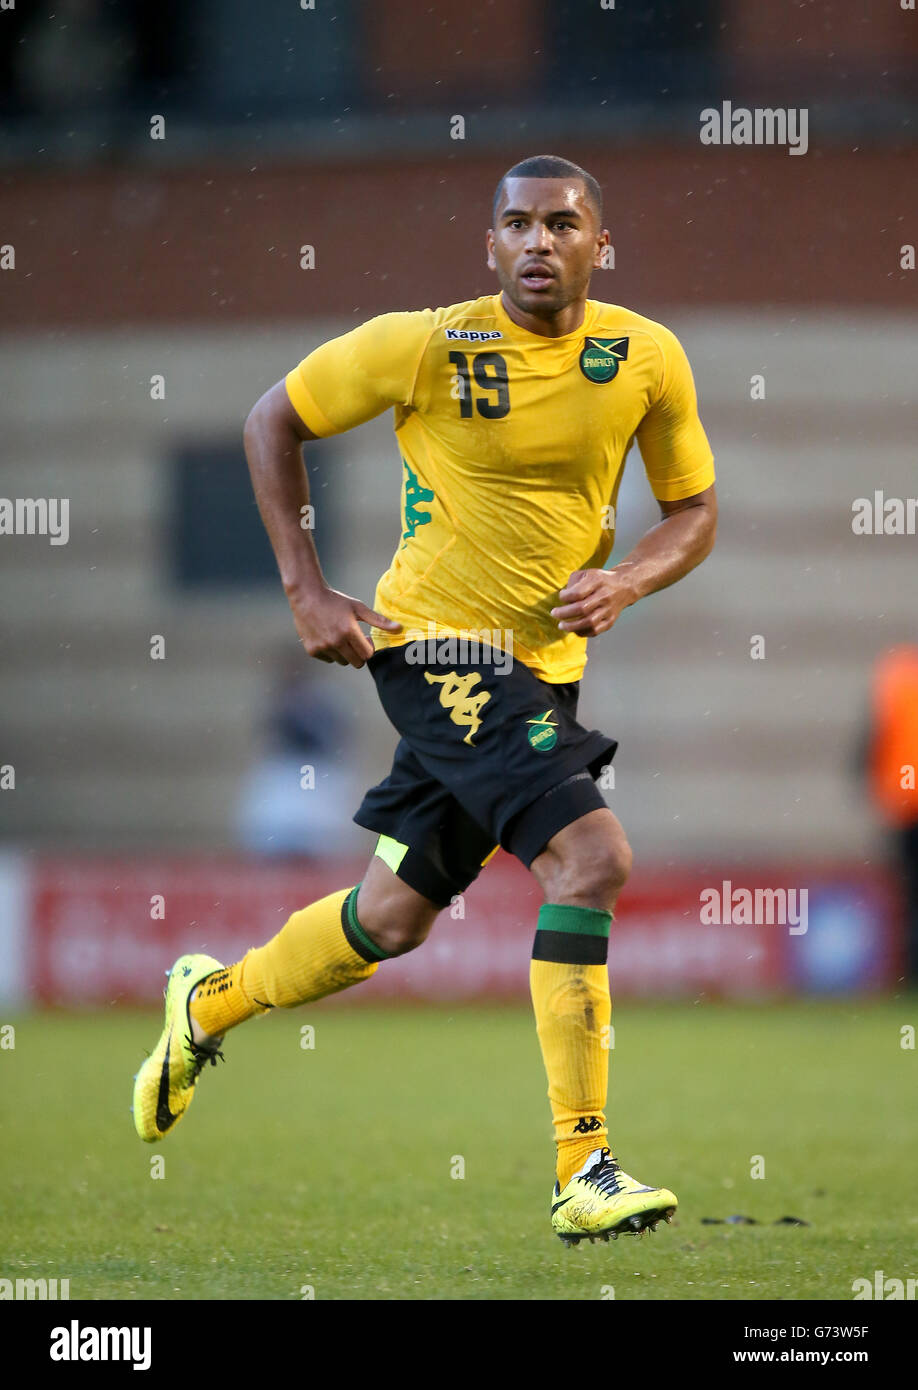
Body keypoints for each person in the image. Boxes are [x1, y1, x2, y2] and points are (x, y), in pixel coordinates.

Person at [132, 154, 717, 1245]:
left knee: (386, 921)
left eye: (561, 224)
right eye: (516, 224)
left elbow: (694, 509)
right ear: (488, 245)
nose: (538, 241)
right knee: (592, 859)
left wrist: (629, 576)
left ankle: (206, 1003)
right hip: (437, 651)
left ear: (601, 244)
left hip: (540, 671)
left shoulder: (646, 357)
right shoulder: (425, 343)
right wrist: (304, 588)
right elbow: (273, 421)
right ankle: (582, 1165)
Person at [864, 645, 918, 982]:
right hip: (903, 806)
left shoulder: (896, 673)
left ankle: (910, 974)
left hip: (903, 805)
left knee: (909, 896)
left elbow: (875, 735)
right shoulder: (895, 673)